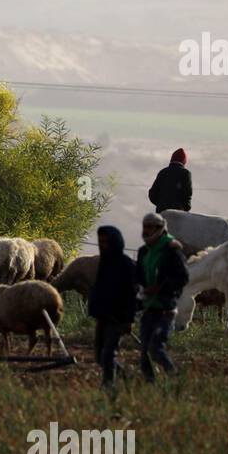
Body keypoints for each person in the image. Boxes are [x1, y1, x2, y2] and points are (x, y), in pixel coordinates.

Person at [135, 213, 189, 383]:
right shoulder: (143, 251)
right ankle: (150, 385)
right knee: (144, 352)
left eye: (150, 227)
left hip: (165, 308)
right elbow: (138, 277)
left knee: (155, 347)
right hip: (148, 307)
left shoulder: (172, 249)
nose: (146, 230)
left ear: (160, 229)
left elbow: (183, 277)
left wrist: (160, 288)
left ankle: (174, 377)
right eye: (145, 226)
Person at [87, 225, 138, 389]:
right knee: (99, 356)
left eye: (106, 242)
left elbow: (131, 294)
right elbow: (99, 288)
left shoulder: (126, 265)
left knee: (108, 353)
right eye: (100, 241)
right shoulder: (105, 263)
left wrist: (129, 320)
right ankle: (126, 376)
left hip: (118, 318)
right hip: (103, 316)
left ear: (114, 242)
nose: (102, 245)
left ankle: (108, 385)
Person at [148, 148, 192, 213]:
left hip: (162, 212)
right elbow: (187, 193)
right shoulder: (185, 174)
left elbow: (152, 193)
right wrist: (185, 208)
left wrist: (161, 204)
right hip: (178, 213)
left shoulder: (163, 172)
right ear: (184, 161)